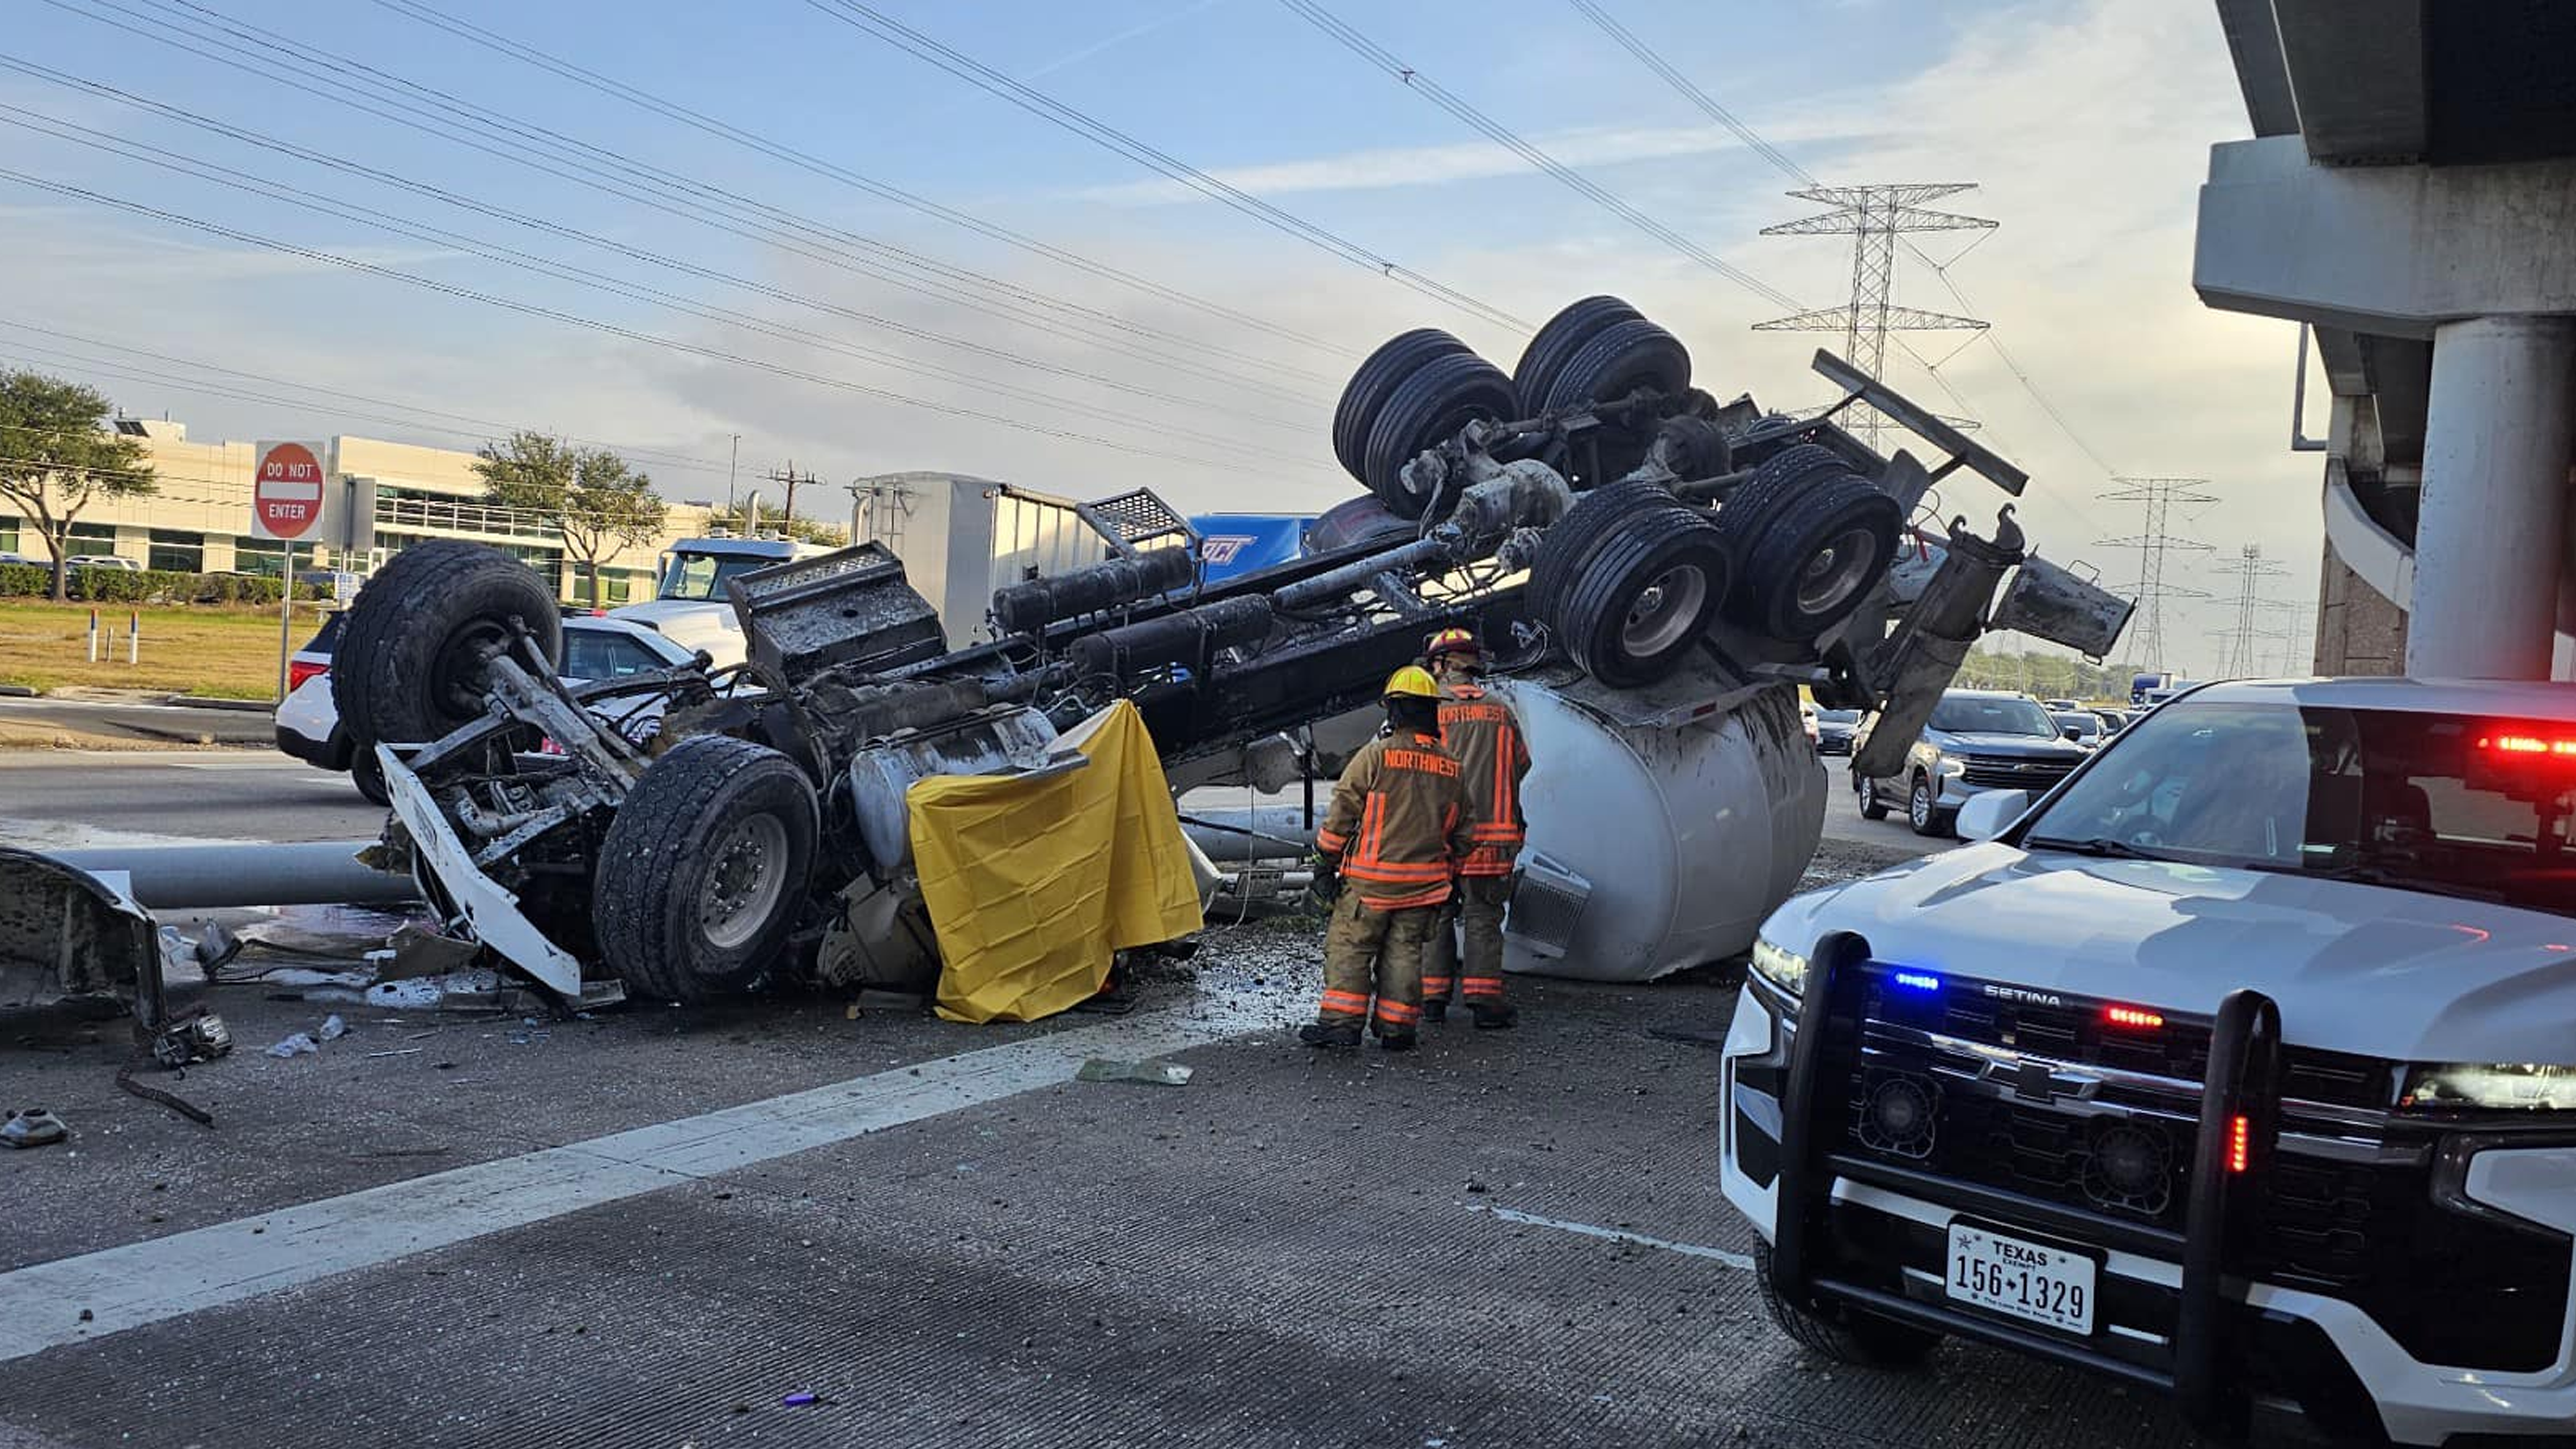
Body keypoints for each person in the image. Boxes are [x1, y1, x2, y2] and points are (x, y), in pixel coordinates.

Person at [1302, 666, 1475, 1052]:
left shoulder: (1375, 757)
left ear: (1394, 710)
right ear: (1432, 711)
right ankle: (1398, 1029)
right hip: (1424, 887)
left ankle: (1341, 1025)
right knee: (1405, 954)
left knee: (1351, 949)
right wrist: (1451, 877)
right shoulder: (1452, 768)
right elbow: (1465, 834)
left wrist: (1325, 862)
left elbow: (1342, 813)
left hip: (1370, 885)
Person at [1421, 627, 1531, 1029]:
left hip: (1440, 838)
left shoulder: (1429, 712)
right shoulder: (1501, 712)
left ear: (1442, 665)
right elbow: (1523, 764)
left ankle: (1433, 999)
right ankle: (1485, 1005)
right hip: (1492, 841)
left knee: (1437, 915)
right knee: (1483, 918)